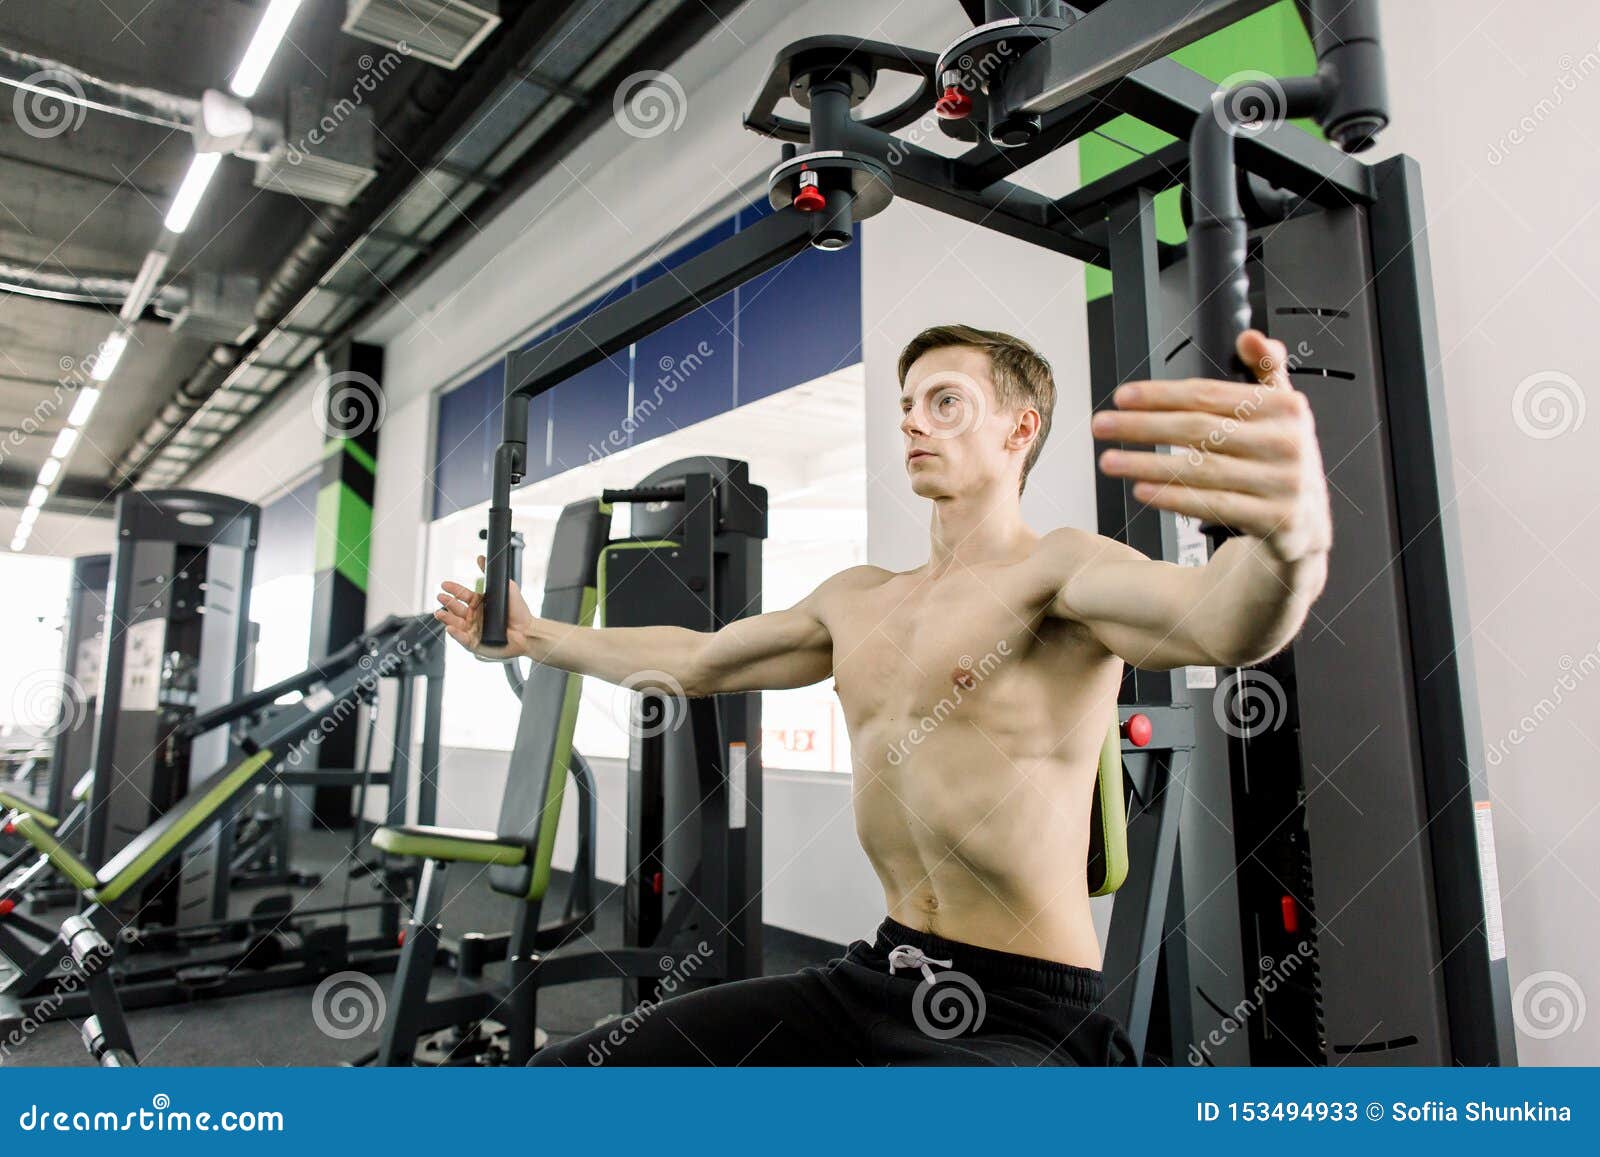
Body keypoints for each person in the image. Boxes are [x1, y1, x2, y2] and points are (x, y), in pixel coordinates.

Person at [433, 323, 1331, 1066]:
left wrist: (1290, 537)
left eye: (946, 401)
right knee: (562, 1080)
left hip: (1015, 1009)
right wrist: (535, 634)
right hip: (871, 976)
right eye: (906, 405)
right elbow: (699, 659)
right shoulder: (858, 597)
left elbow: (1224, 621)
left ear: (1020, 429)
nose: (914, 422)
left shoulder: (1061, 571)